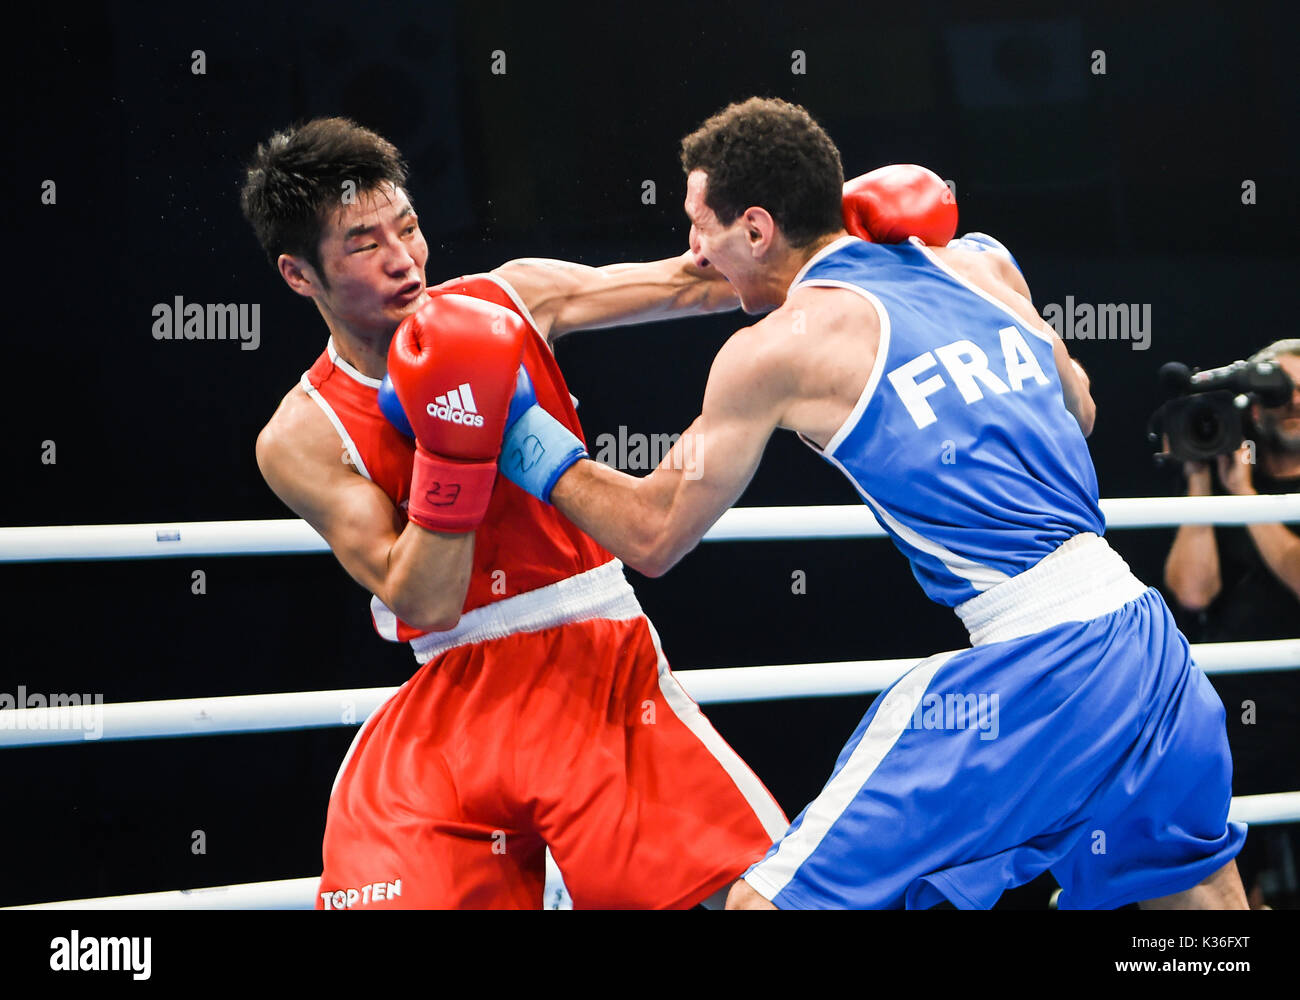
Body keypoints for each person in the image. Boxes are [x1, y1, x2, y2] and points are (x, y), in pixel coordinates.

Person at [499, 96, 1250, 909]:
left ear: (756, 230)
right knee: (1202, 912)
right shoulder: (980, 265)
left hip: (1035, 670)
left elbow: (653, 533)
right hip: (1149, 649)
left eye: (700, 225)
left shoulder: (773, 351)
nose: (691, 250)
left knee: (767, 905)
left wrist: (525, 439)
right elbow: (1081, 408)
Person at [240, 116, 792, 909]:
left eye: (409, 227)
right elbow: (423, 600)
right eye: (364, 245)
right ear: (300, 275)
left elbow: (702, 281)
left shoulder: (511, 300)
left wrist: (829, 228)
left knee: (744, 896)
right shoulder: (300, 435)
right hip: (452, 697)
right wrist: (453, 443)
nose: (405, 261)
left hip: (592, 662)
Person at [1163, 338, 1300, 908]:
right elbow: (1192, 592)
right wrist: (1203, 482)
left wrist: (1243, 495)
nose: (1292, 403)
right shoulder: (1224, 482)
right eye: (1278, 391)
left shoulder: (1246, 491)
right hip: (1235, 720)